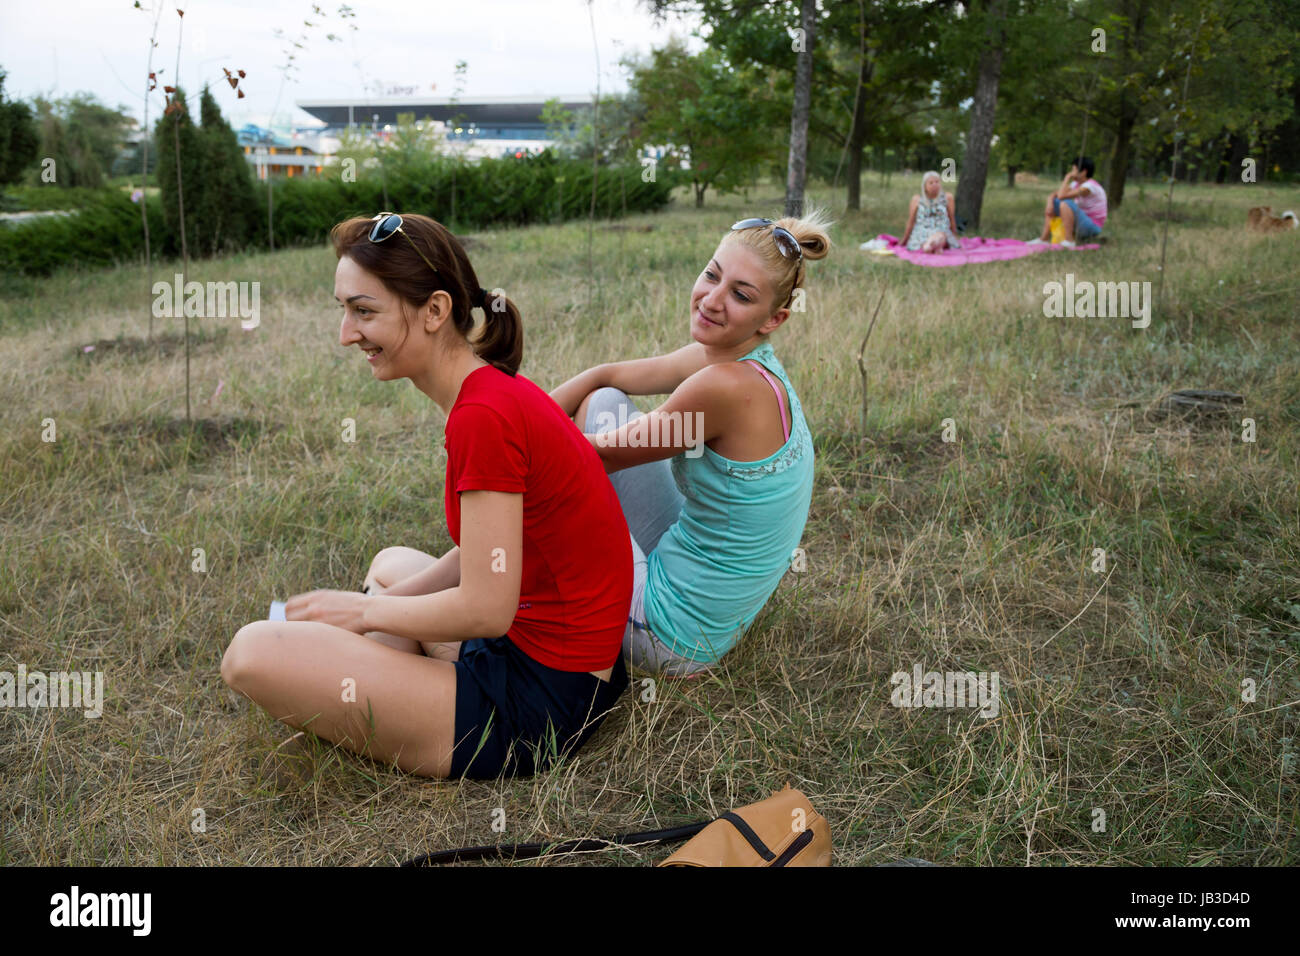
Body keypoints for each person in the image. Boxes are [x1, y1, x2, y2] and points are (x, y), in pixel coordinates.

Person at [221, 212, 632, 780]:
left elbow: (487, 609)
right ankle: (370, 673)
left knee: (251, 653)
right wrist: (365, 620)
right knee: (390, 566)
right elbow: (497, 550)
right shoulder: (492, 389)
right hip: (568, 663)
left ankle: (377, 682)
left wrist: (362, 611)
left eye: (363, 311)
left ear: (435, 311)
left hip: (539, 704)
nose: (346, 333)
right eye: (344, 310)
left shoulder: (482, 417)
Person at [549, 213, 828, 676]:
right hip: (705, 600)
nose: (712, 301)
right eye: (712, 275)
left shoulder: (725, 389)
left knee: (556, 489)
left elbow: (586, 458)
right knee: (604, 400)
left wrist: (497, 433)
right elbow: (605, 376)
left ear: (775, 318)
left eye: (741, 295)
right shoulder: (738, 359)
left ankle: (477, 591)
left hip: (668, 633)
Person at [1030, 155, 1108, 247]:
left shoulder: (1089, 187)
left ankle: (1069, 240)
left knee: (1065, 203)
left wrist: (1067, 178)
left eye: (1074, 170)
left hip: (1092, 227)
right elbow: (1056, 194)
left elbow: (1062, 196)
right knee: (1055, 202)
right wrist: (1049, 202)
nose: (1071, 173)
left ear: (1083, 172)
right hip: (1081, 222)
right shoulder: (1076, 184)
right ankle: (1044, 239)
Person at [900, 171, 961, 253]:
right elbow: (911, 221)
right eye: (931, 183)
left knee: (940, 236)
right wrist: (904, 239)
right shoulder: (917, 199)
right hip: (922, 231)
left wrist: (955, 236)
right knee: (934, 237)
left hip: (941, 230)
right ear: (925, 186)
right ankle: (931, 245)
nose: (934, 185)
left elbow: (951, 218)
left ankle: (929, 245)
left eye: (937, 182)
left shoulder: (947, 198)